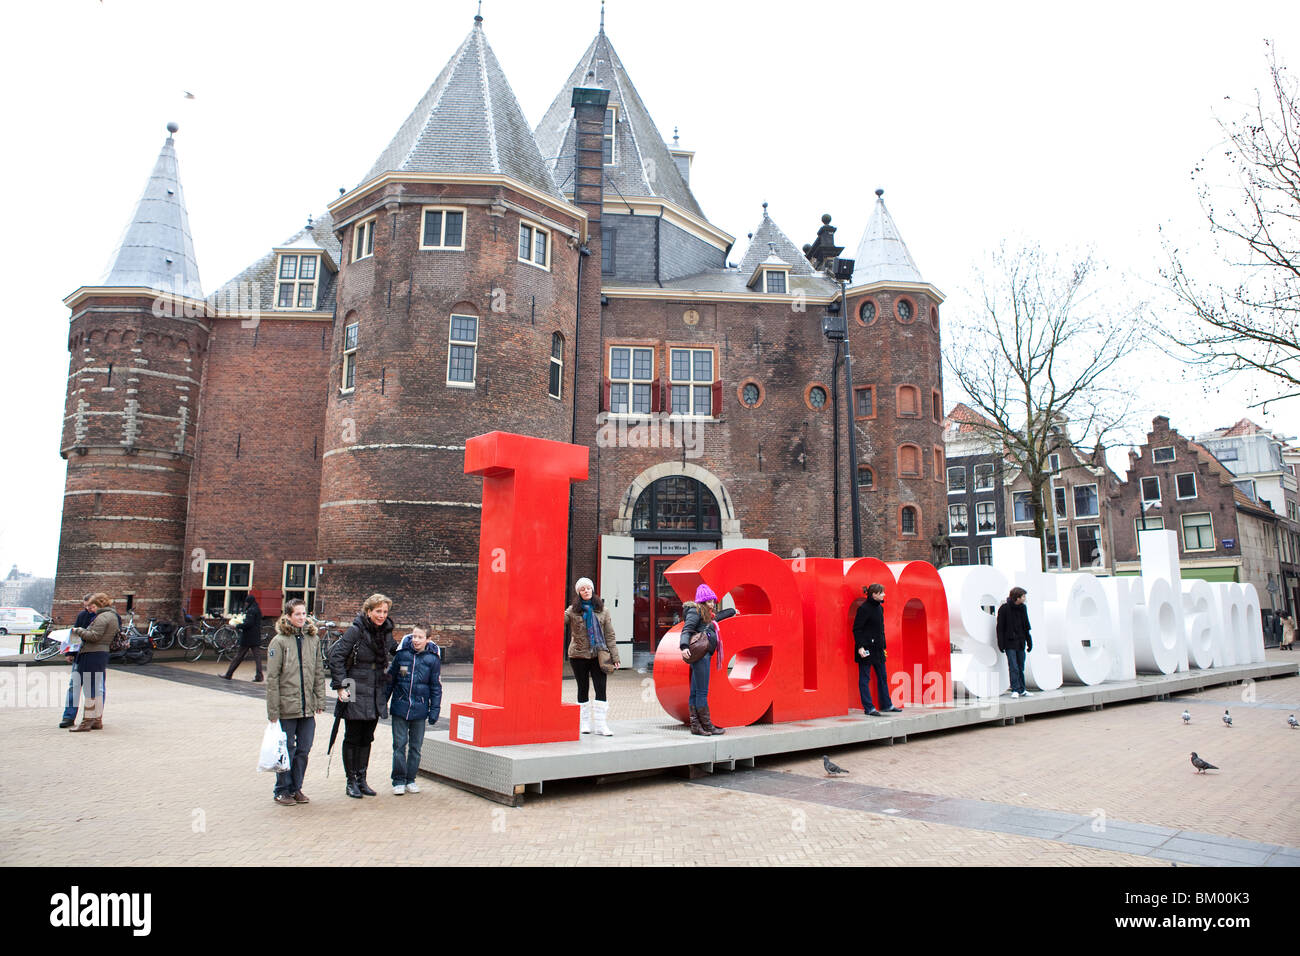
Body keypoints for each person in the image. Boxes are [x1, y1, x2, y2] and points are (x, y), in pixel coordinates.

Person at [328, 593, 394, 799]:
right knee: (353, 735)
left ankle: (362, 779)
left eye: (384, 612)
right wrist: (340, 686)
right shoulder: (356, 630)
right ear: (368, 611)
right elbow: (337, 655)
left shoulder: (386, 632)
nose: (381, 615)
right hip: (355, 684)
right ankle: (351, 781)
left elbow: (397, 650)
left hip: (375, 686)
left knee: (367, 736)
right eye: (378, 611)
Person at [265, 599, 326, 806]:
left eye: (304, 614)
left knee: (304, 749)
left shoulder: (313, 639)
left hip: (307, 706)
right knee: (287, 750)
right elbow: (272, 678)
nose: (301, 618)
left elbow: (318, 670)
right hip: (286, 706)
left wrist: (319, 699)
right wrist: (273, 710)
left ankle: (296, 787)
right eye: (297, 614)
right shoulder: (279, 642)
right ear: (288, 616)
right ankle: (282, 789)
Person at [386, 624, 442, 795]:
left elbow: (435, 687)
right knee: (399, 745)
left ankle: (411, 779)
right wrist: (383, 702)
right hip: (400, 707)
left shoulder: (433, 660)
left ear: (428, 639)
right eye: (414, 636)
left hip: (420, 708)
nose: (416, 640)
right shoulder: (401, 655)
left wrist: (435, 710)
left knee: (416, 747)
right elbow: (390, 680)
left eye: (420, 637)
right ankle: (398, 780)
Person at [678, 584, 737, 736]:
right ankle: (707, 725)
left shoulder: (706, 614)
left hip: (702, 656)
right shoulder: (695, 612)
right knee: (702, 692)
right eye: (709, 601)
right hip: (700, 657)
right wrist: (684, 646)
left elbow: (719, 616)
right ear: (702, 601)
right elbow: (687, 629)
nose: (712, 604)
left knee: (695, 692)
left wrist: (732, 611)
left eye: (713, 601)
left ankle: (696, 726)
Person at [564, 577, 619, 735]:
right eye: (583, 589)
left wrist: (615, 657)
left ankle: (601, 725)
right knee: (583, 688)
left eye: (588, 588)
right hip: (578, 655)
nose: (586, 591)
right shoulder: (572, 611)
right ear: (579, 593)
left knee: (601, 688)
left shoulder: (603, 610)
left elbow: (610, 635)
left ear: (592, 590)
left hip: (601, 654)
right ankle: (584, 724)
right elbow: (559, 620)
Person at [66, 592, 118, 732]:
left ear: (99, 605)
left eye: (92, 606)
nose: (90, 609)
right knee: (95, 689)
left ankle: (86, 722)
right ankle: (97, 719)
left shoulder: (102, 617)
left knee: (90, 690)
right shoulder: (112, 616)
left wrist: (79, 631)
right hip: (100, 654)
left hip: (92, 654)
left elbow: (94, 636)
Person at [852, 582, 902, 715]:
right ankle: (869, 708)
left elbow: (881, 630)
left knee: (882, 677)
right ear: (874, 595)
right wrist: (860, 647)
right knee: (865, 678)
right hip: (866, 649)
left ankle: (887, 705)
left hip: (879, 649)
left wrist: (883, 646)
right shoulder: (864, 609)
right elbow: (857, 629)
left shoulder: (880, 608)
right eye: (881, 593)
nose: (884, 594)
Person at [58, 595, 96, 728]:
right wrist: (70, 653)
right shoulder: (82, 615)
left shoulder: (102, 617)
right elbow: (74, 636)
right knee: (74, 686)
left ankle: (93, 718)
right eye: (85, 606)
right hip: (80, 655)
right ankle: (68, 716)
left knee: (93, 689)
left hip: (93, 655)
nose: (87, 609)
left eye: (89, 606)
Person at [996, 586, 1033, 698]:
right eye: (1023, 596)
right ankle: (1015, 689)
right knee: (1013, 666)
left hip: (1020, 642)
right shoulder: (1004, 609)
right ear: (1017, 597)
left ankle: (1022, 689)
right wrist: (1001, 643)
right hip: (1009, 643)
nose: (1024, 598)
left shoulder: (1023, 608)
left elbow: (1026, 626)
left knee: (1020, 666)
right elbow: (1000, 627)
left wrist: (1029, 641)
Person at [221, 592, 264, 681]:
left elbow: (248, 623)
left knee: (239, 656)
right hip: (256, 635)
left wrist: (237, 626)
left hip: (248, 637)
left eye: (246, 602)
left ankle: (228, 674)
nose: (245, 604)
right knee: (257, 657)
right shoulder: (257, 609)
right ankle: (259, 676)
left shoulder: (251, 610)